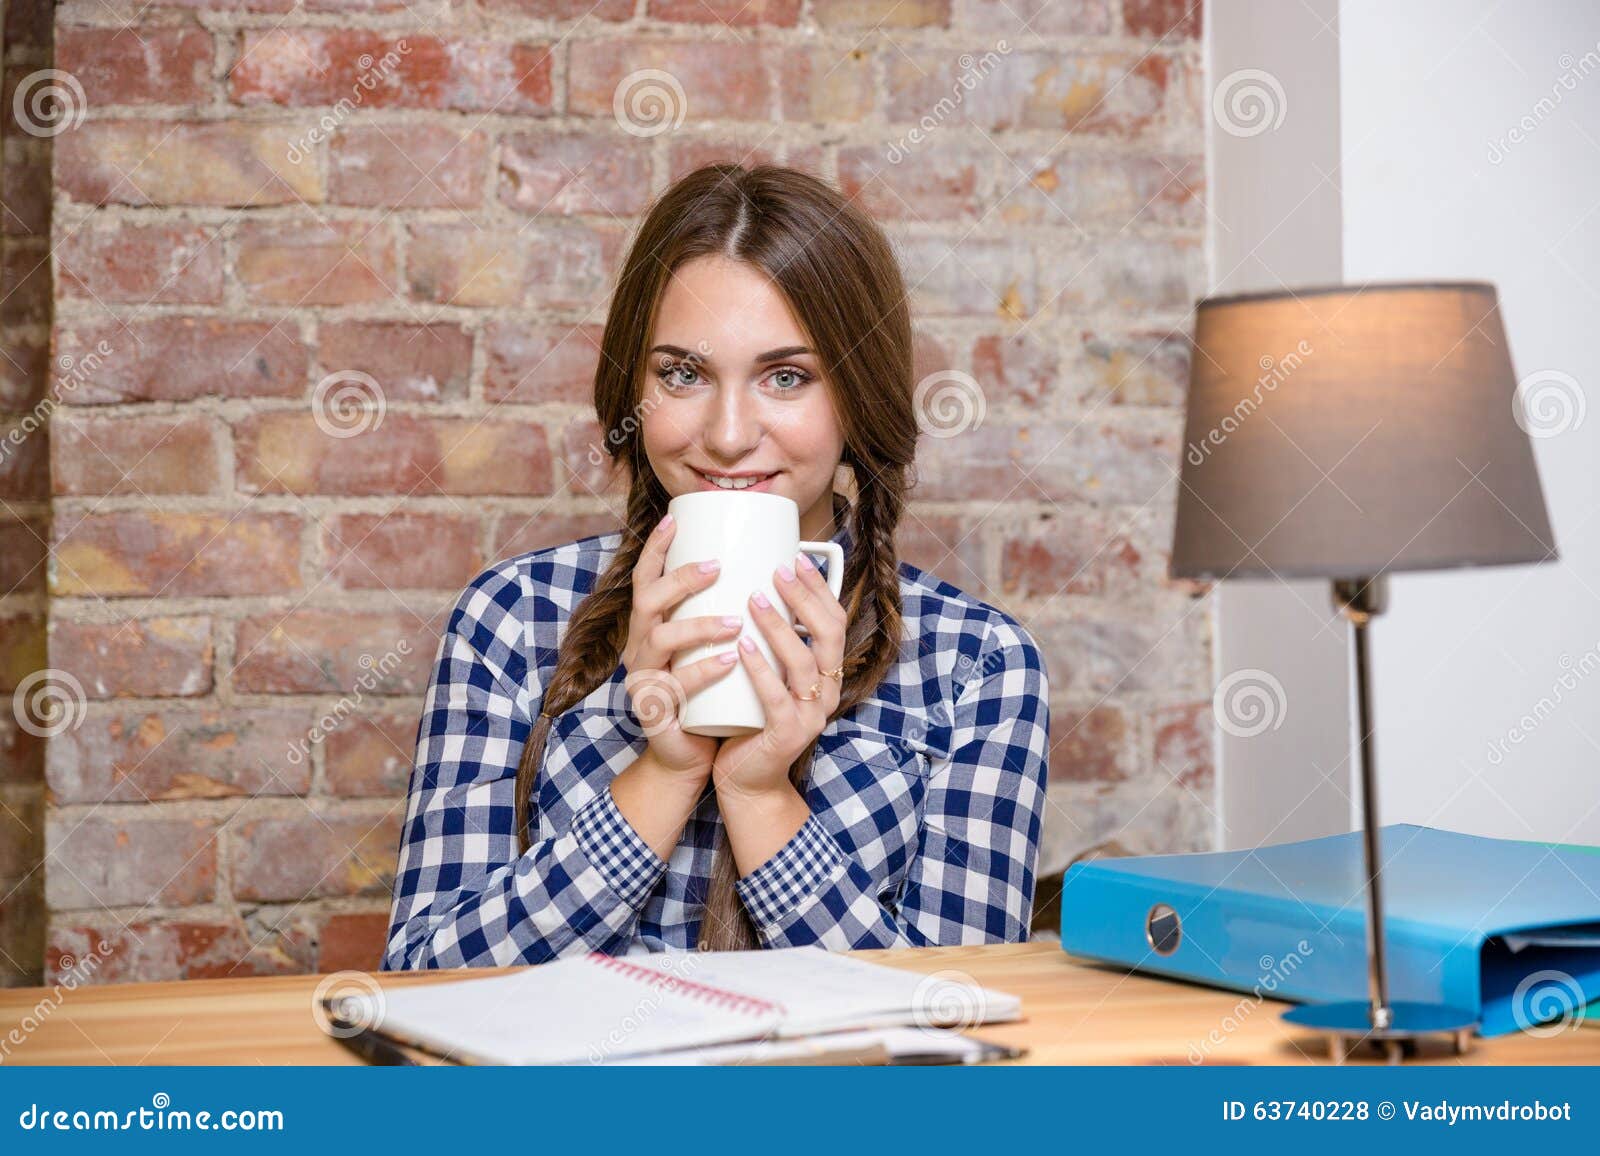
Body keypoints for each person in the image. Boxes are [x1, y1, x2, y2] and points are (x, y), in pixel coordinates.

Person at [382, 163, 1050, 968]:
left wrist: (759, 794)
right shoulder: (515, 616)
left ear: (857, 397)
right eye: (684, 374)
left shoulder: (978, 664)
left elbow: (953, 1033)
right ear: (632, 385)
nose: (729, 434)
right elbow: (422, 979)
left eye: (786, 377)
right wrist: (664, 774)